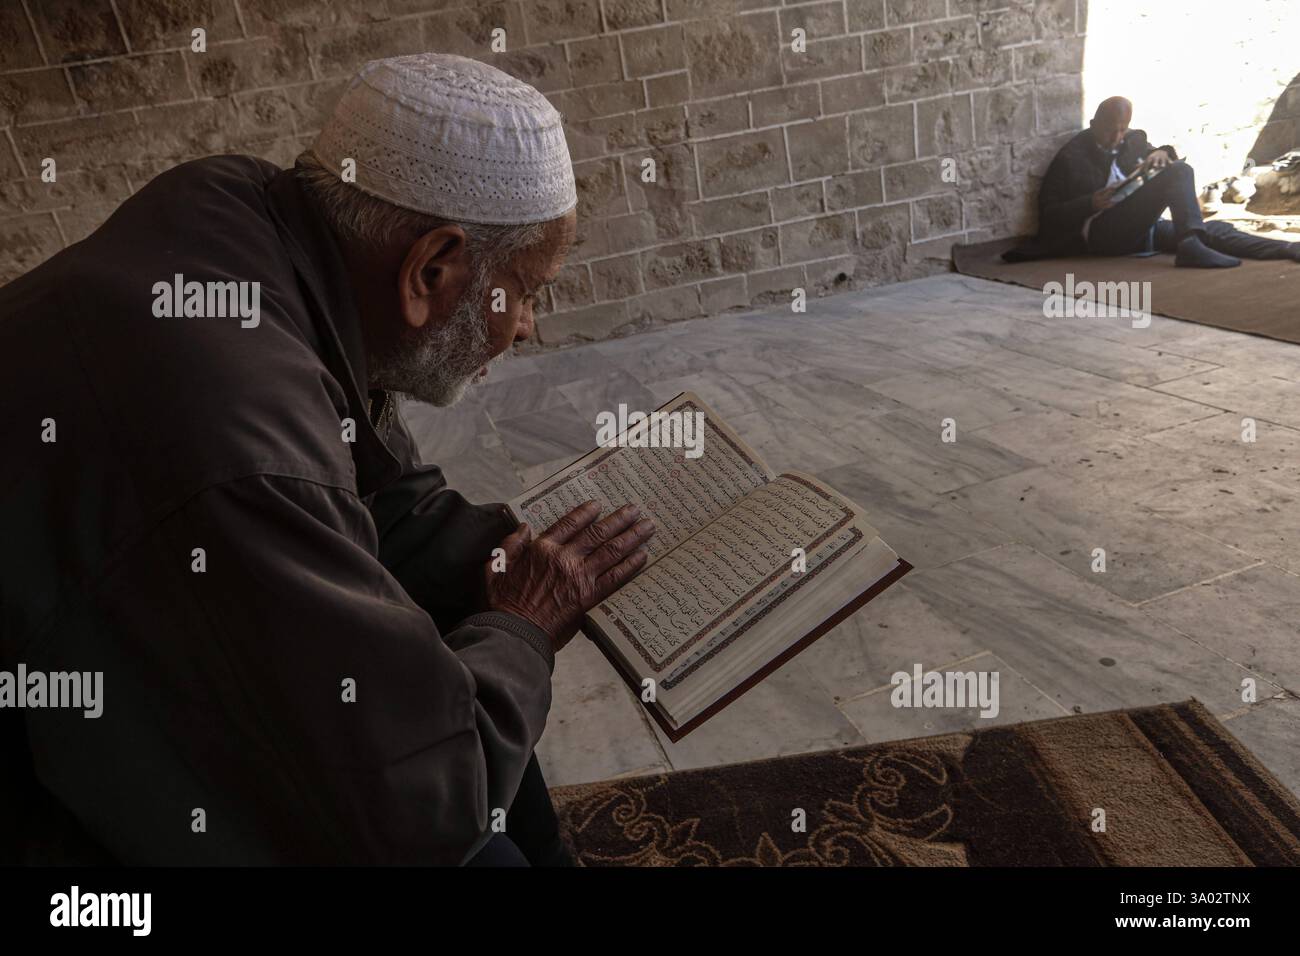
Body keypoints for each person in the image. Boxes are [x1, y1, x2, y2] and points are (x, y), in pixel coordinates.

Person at [0, 53, 655, 865]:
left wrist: (493, 555)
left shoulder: (236, 202)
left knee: (460, 655)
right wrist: (524, 627)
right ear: (431, 269)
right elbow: (422, 808)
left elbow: (369, 476)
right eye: (525, 291)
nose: (528, 328)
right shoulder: (246, 455)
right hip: (56, 808)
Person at [1010, 96, 1300, 265]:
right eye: (1111, 130)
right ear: (1094, 125)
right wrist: (1089, 202)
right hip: (1101, 233)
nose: (1117, 137)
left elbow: (1155, 155)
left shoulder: (1131, 141)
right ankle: (1189, 246)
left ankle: (1286, 249)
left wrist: (1161, 153)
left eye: (1123, 130)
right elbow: (1048, 214)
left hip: (1140, 227)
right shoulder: (1071, 158)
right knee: (1180, 174)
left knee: (1210, 230)